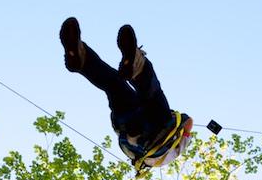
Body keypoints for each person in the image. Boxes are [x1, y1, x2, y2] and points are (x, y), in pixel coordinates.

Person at [59, 17, 192, 171]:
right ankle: (80, 58)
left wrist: (183, 124)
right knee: (113, 85)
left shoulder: (174, 149)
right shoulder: (149, 159)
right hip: (128, 127)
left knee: (151, 93)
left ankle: (137, 66)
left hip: (157, 128)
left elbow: (188, 123)